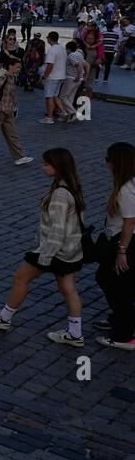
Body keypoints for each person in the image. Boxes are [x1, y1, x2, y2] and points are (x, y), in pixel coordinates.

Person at [0, 148, 88, 347]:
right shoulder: (72, 186)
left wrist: (45, 258)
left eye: (46, 164)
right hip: (71, 251)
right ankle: (75, 332)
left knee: (20, 278)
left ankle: (3, 318)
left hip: (54, 250)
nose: (42, 167)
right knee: (68, 289)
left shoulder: (60, 194)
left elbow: (57, 230)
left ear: (57, 167)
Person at [94, 142, 135, 349]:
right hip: (123, 240)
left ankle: (124, 334)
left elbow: (129, 222)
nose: (106, 163)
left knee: (115, 284)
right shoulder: (129, 184)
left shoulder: (126, 189)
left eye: (108, 159)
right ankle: (121, 321)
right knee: (113, 281)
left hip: (123, 241)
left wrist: (122, 251)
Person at [38, 31, 66, 124]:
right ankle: (63, 112)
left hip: (53, 76)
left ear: (49, 39)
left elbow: (50, 65)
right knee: (55, 96)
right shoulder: (62, 49)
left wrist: (44, 77)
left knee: (49, 96)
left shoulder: (52, 50)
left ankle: (49, 117)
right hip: (61, 76)